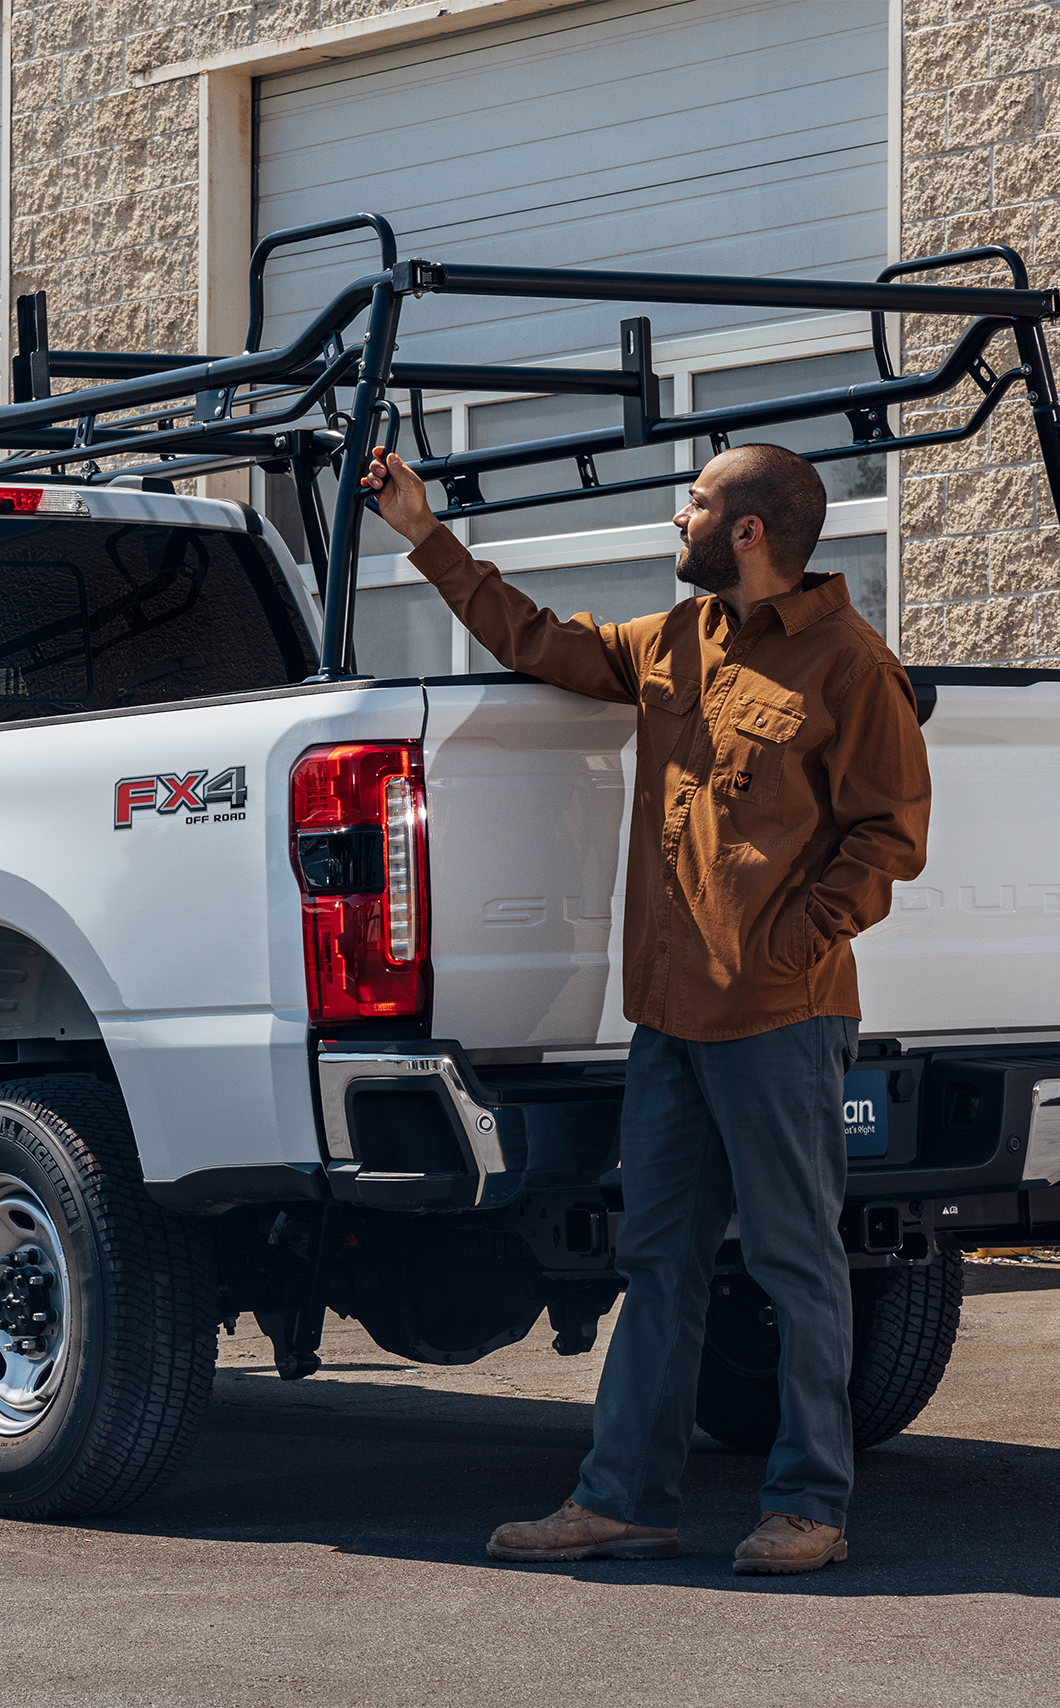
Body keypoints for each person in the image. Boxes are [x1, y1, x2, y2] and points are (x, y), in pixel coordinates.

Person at [360, 441, 931, 1576]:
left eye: (698, 501)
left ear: (749, 531)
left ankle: (809, 1505)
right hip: (668, 1021)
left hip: (779, 1019)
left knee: (794, 1264)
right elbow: (536, 640)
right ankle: (623, 1501)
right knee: (658, 1261)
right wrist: (424, 535)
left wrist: (791, 941)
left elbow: (890, 836)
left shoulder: (850, 665)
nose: (680, 515)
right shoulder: (676, 640)